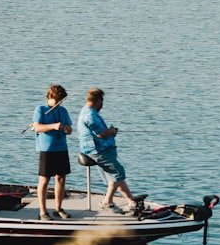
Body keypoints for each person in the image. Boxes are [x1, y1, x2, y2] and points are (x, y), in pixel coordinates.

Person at [77, 87, 139, 212]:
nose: (102, 104)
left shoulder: (86, 110)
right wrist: (112, 131)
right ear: (98, 100)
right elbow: (101, 134)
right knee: (117, 173)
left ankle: (131, 200)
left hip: (99, 150)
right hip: (99, 151)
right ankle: (107, 201)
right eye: (102, 101)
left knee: (115, 176)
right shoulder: (90, 115)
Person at [31, 84, 73, 220]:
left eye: (62, 101)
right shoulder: (41, 109)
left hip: (61, 148)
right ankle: (43, 211)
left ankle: (58, 208)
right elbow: (37, 127)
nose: (60, 103)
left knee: (61, 178)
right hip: (47, 149)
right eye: (58, 100)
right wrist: (54, 126)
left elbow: (70, 129)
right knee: (44, 179)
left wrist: (67, 129)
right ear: (51, 97)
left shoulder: (63, 110)